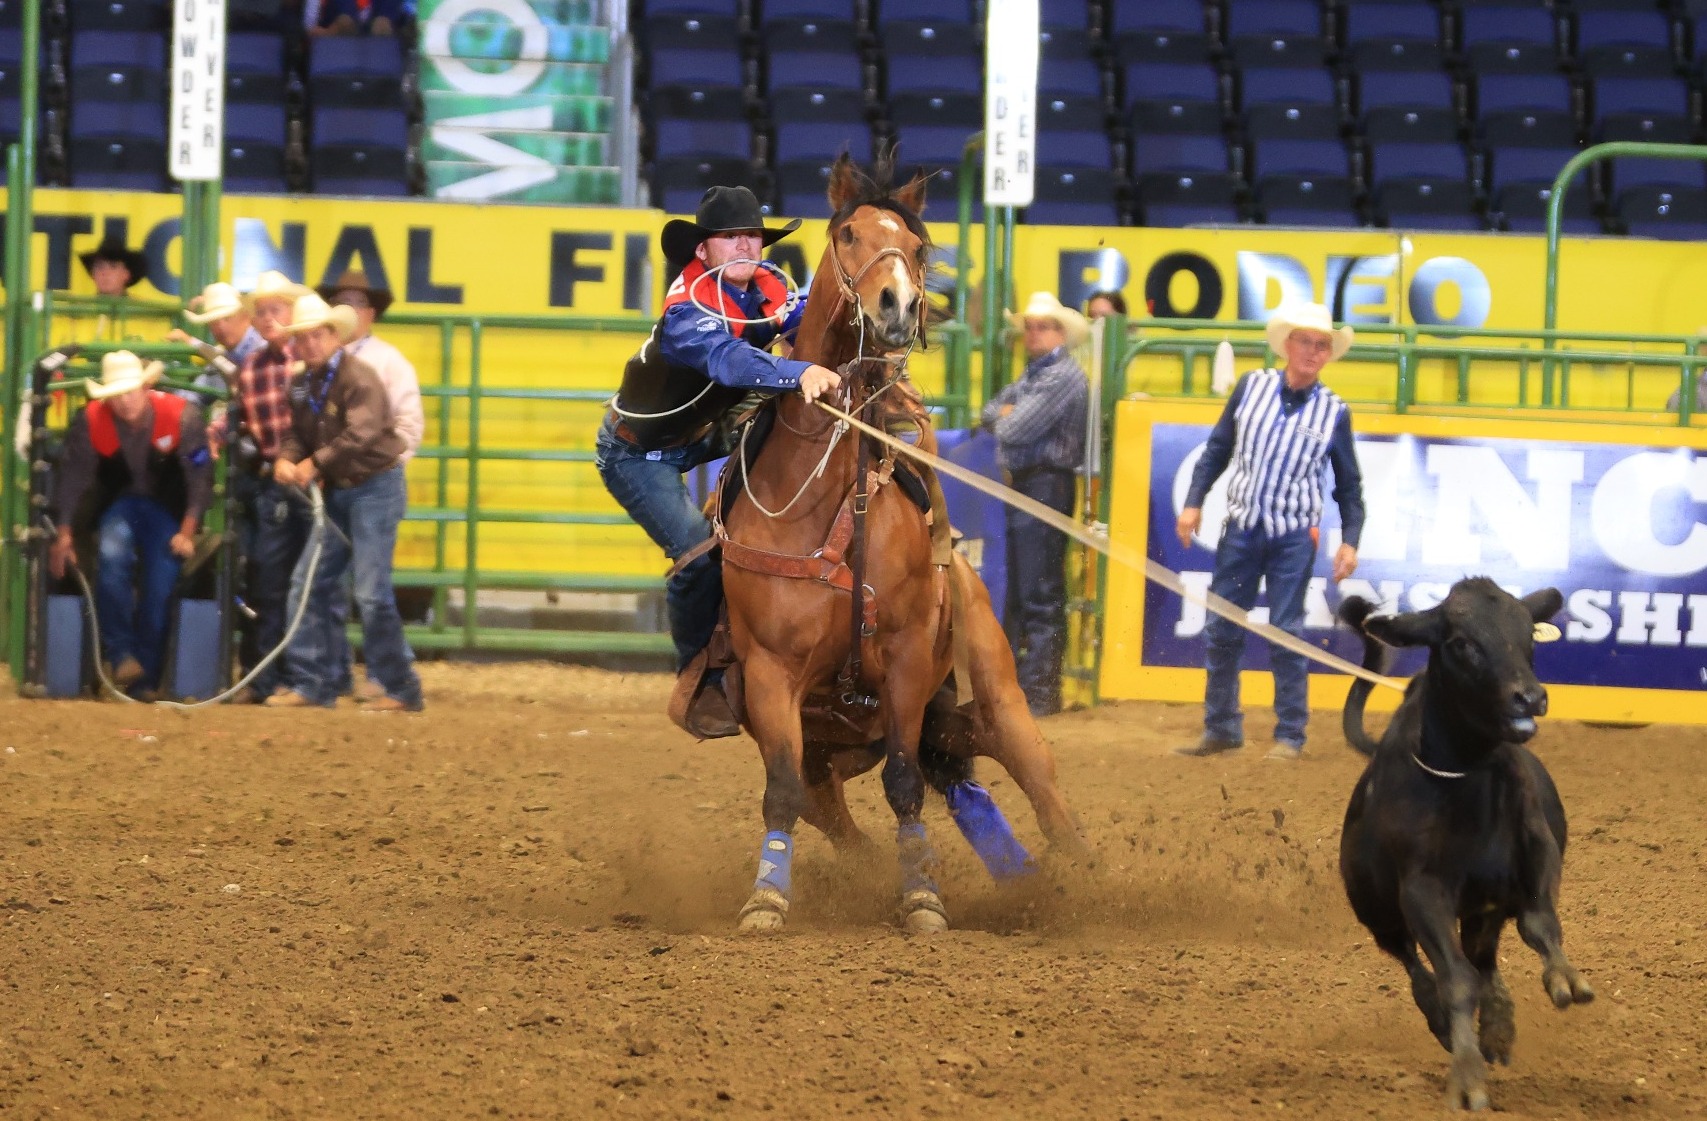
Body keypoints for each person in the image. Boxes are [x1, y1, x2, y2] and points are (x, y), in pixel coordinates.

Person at [595, 185, 841, 736]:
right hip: (638, 452)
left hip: (708, 428)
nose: (745, 245)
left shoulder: (769, 290)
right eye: (729, 237)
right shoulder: (686, 311)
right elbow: (726, 359)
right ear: (702, 251)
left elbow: (804, 324)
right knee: (697, 555)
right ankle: (697, 677)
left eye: (752, 235)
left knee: (789, 427)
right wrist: (797, 373)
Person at [1174, 301, 1365, 762]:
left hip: (1293, 537)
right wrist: (1194, 501)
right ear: (1287, 345)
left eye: (1322, 345)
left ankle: (1291, 733)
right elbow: (1218, 448)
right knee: (1222, 628)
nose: (1313, 352)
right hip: (1241, 527)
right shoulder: (1251, 387)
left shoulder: (1334, 412)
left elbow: (1348, 483)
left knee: (1286, 631)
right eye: (1306, 341)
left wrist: (1351, 538)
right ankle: (1221, 726)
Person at [267, 293, 422, 712]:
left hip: (375, 487)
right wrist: (287, 457)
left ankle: (399, 687)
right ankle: (315, 683)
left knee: (370, 592)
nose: (311, 343)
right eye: (305, 337)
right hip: (344, 489)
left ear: (334, 336)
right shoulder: (302, 382)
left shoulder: (360, 377)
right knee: (309, 583)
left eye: (319, 335)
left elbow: (363, 434)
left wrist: (312, 463)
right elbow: (299, 431)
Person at [48, 351, 212, 696]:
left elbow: (199, 476)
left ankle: (143, 677)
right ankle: (123, 654)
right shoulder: (91, 420)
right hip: (120, 505)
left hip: (166, 510)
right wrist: (64, 533)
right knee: (111, 555)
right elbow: (74, 476)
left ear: (146, 386)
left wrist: (187, 529)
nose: (124, 401)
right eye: (116, 394)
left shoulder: (182, 417)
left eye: (130, 391)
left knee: (160, 579)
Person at [981, 291, 1092, 717]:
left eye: (1042, 326)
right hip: (1032, 485)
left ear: (1061, 333)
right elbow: (995, 413)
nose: (1033, 333)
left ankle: (1041, 691)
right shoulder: (1042, 373)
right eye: (1030, 326)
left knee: (1039, 589)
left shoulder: (1061, 376)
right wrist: (1004, 414)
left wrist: (1005, 414)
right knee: (1030, 586)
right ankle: (1033, 689)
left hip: (1046, 484)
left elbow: (1011, 427)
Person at [210, 269, 313, 702]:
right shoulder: (251, 368)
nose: (269, 318)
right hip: (276, 481)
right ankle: (269, 678)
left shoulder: (307, 361)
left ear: (291, 313)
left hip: (313, 479)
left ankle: (309, 678)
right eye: (263, 311)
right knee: (272, 580)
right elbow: (235, 416)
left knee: (309, 582)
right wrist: (215, 434)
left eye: (277, 310)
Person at [319, 270, 424, 461]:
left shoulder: (390, 361)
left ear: (371, 313)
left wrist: (384, 466)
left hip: (373, 476)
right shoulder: (316, 357)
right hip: (322, 469)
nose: (350, 309)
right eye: (343, 302)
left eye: (359, 302)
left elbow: (410, 424)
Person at [168, 281, 267, 401]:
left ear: (245, 317)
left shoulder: (264, 349)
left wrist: (194, 344)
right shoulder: (218, 362)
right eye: (214, 322)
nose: (221, 327)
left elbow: (234, 369)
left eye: (227, 318)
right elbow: (189, 398)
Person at [80, 236, 149, 297]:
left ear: (126, 274)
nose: (105, 273)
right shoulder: (82, 309)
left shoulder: (139, 310)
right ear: (93, 273)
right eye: (99, 267)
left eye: (113, 266)